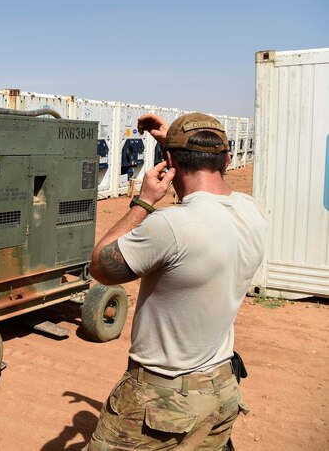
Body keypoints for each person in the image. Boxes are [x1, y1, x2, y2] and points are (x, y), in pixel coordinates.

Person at [85, 112, 266, 450]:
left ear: (169, 161)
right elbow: (206, 202)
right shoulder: (251, 210)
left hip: (162, 399)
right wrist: (173, 140)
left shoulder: (169, 226)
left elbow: (100, 265)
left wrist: (144, 202)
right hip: (222, 389)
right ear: (227, 159)